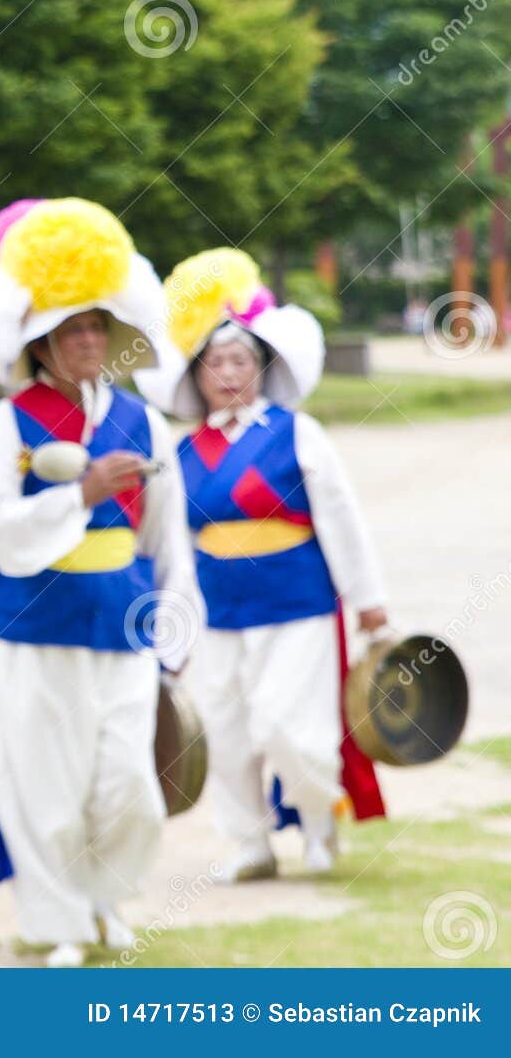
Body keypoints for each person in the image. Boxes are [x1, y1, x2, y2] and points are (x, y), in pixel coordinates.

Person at [0, 198, 201, 968]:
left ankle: (106, 896)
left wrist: (177, 619)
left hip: (120, 622)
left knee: (128, 778)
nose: (88, 341)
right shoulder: (7, 424)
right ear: (43, 345)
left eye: (98, 327)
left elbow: (166, 532)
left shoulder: (142, 421)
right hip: (30, 624)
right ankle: (59, 918)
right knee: (44, 777)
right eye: (71, 330)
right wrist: (78, 496)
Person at [135, 248, 386, 881]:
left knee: (290, 725)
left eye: (240, 359)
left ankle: (319, 828)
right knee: (225, 729)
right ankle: (250, 844)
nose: (227, 372)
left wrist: (368, 601)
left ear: (262, 367)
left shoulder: (297, 434)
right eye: (214, 361)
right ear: (196, 374)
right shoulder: (181, 450)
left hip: (295, 600)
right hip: (219, 607)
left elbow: (342, 519)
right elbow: (168, 544)